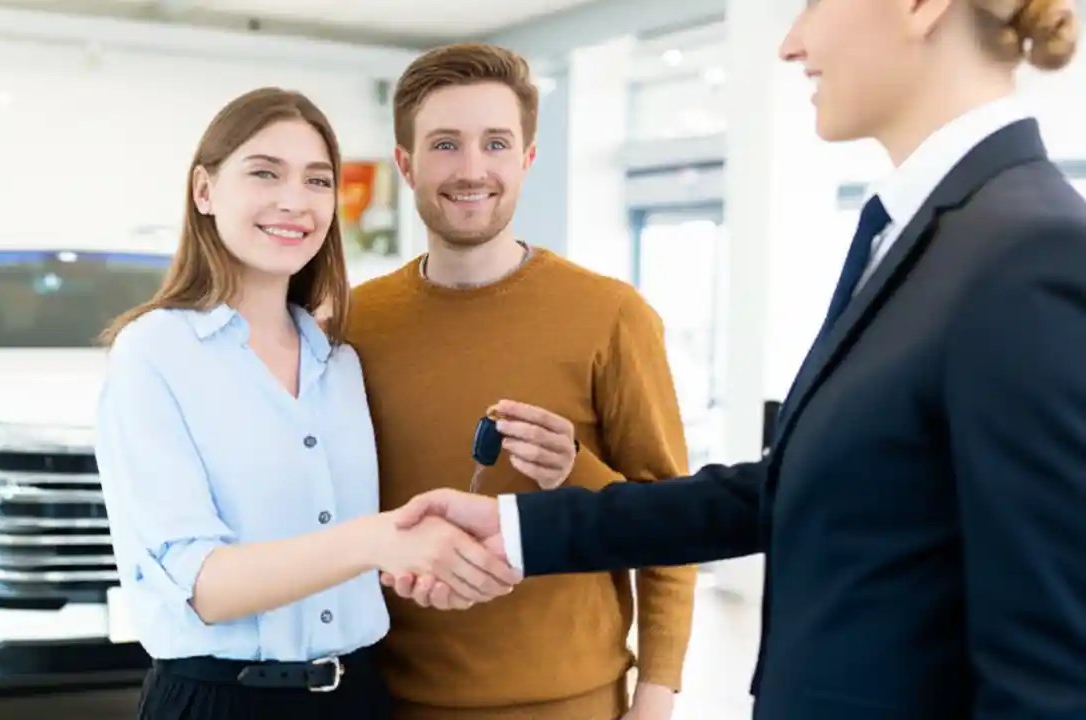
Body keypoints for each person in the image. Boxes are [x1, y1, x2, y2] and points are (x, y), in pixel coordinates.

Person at [385, 1, 1086, 719]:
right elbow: (777, 491)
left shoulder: (1028, 252)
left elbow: (1050, 670)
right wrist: (515, 525)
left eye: (814, 3)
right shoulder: (921, 236)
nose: (791, 41)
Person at [93, 87, 520, 720]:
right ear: (204, 191)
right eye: (265, 173)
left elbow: (342, 553)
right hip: (221, 702)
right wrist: (376, 542)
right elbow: (201, 585)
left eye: (318, 181)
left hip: (359, 696)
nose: (295, 201)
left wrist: (426, 565)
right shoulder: (154, 353)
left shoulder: (339, 364)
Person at [347, 43, 697, 720]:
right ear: (406, 163)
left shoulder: (612, 316)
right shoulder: (354, 323)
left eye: (496, 143)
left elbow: (672, 516)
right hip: (388, 700)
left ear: (527, 159)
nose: (472, 169)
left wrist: (656, 693)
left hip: (571, 703)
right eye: (445, 144)